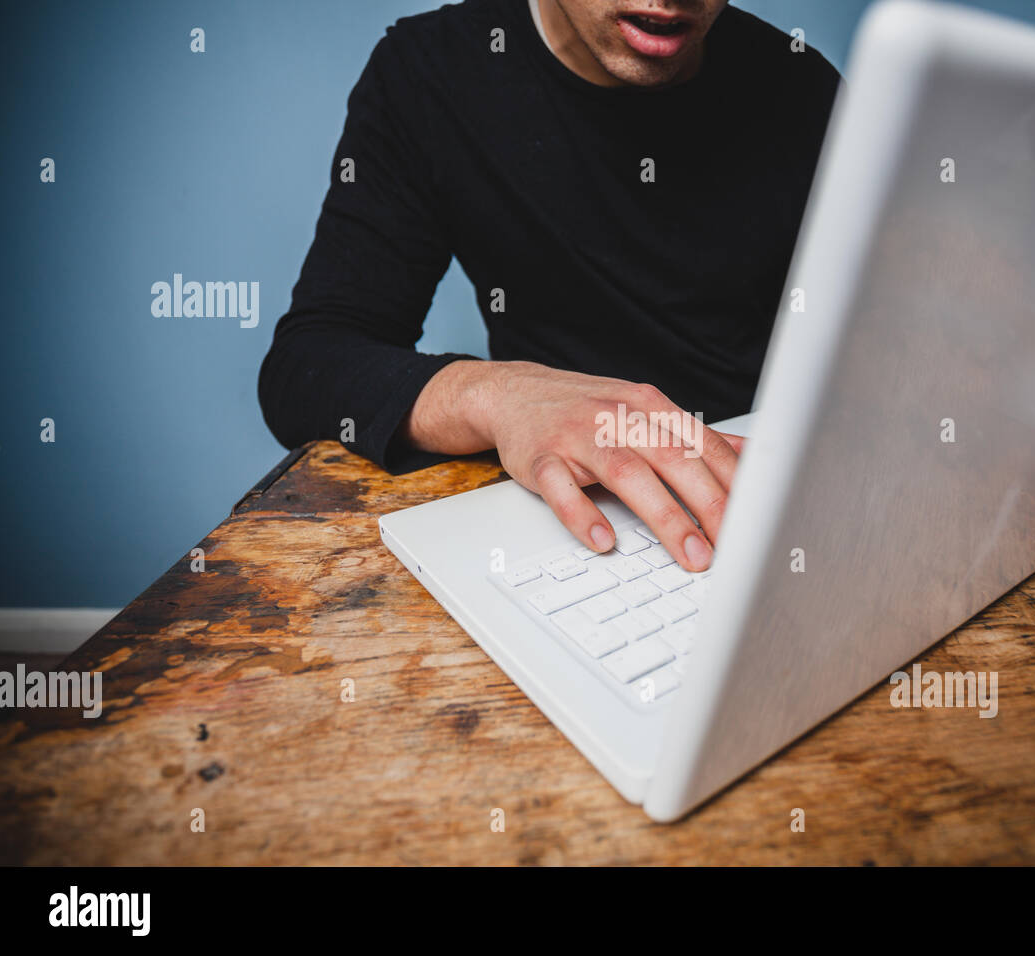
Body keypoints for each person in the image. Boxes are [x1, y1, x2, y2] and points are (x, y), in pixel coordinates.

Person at [259, 0, 840, 571]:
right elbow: (305, 364)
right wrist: (499, 396)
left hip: (772, 504)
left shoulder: (806, 87)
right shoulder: (428, 73)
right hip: (567, 521)